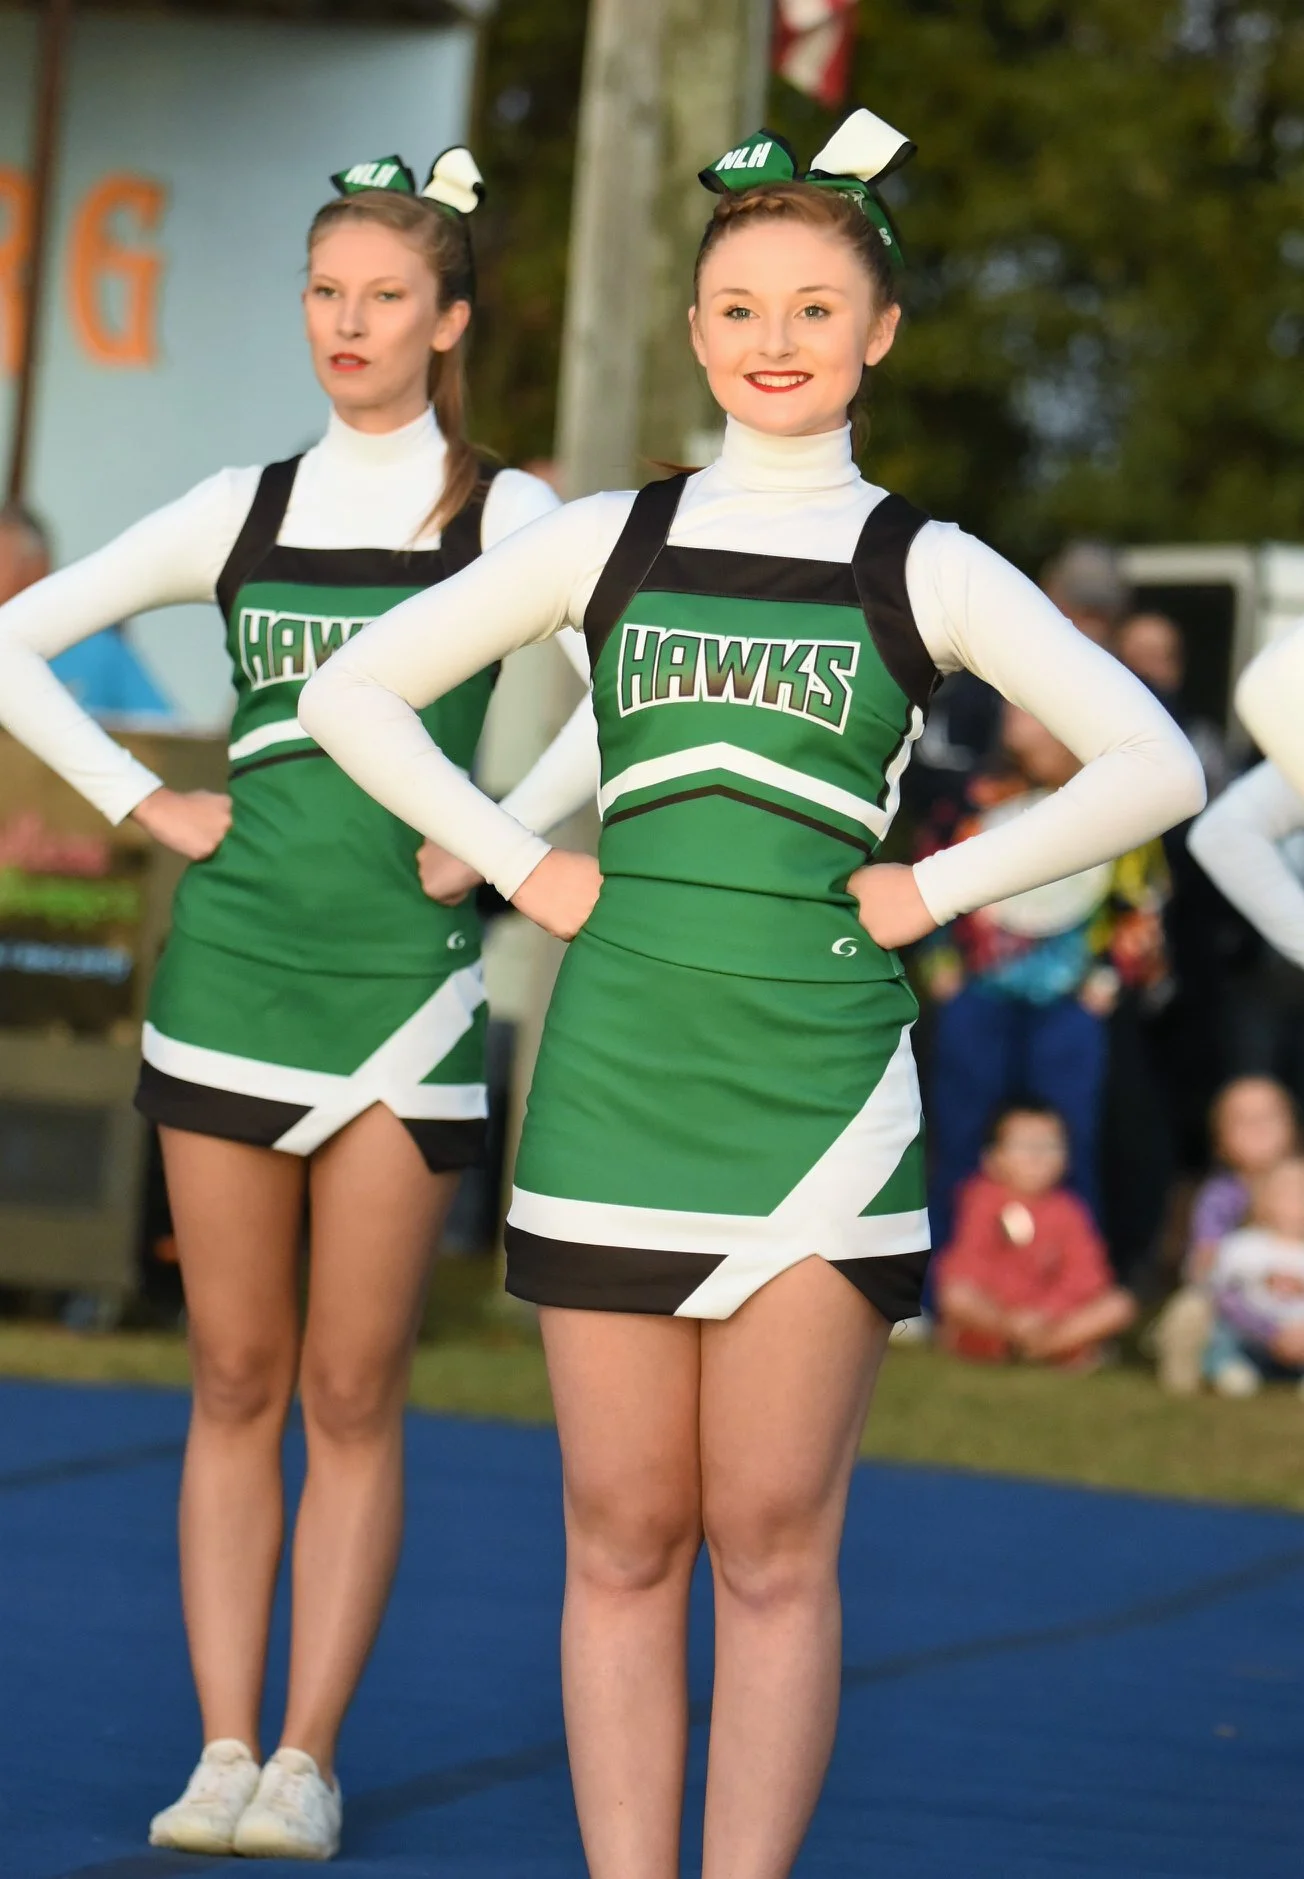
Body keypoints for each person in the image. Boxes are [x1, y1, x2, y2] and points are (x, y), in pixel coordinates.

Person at [300, 109, 1204, 1879]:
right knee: (621, 1532)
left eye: (813, 307)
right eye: (738, 307)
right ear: (698, 329)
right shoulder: (609, 539)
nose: (772, 339)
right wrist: (524, 862)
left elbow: (1152, 759)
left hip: (819, 1092)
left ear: (879, 332)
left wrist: (933, 885)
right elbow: (352, 692)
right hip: (614, 1081)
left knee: (773, 1541)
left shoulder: (923, 560)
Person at [0, 147, 596, 1862]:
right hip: (230, 977)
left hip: (405, 990)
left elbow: (620, 690)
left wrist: (499, 840)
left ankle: (308, 1755)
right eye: (326, 292)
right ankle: (219, 1745)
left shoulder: (508, 513)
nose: (349, 322)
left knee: (350, 1386)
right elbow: (14, 639)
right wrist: (144, 798)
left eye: (386, 295)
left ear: (449, 320)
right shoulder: (239, 507)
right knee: (232, 1373)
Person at [918, 702, 1171, 1249]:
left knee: (1068, 1143)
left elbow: (1142, 893)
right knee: (963, 1137)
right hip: (979, 993)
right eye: (1015, 709)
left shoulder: (1114, 796)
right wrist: (941, 966)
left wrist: (1109, 979)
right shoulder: (974, 794)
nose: (1022, 715)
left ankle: (1072, 1283)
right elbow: (928, 871)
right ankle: (947, 1279)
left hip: (1070, 1002)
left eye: (1034, 707)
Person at [932, 1102, 1136, 1366]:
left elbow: (1087, 1274)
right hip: (997, 1315)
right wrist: (1011, 1319)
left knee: (1119, 1305)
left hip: (1050, 1317)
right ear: (993, 1159)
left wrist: (1047, 1312)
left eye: (1049, 1146)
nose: (1037, 1156)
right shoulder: (981, 1198)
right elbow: (967, 1264)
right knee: (956, 1295)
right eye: (1025, 1146)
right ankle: (1042, 1347)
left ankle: (1038, 1347)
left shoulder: (1070, 1210)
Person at [1151, 1075, 1297, 1393]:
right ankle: (1207, 1365)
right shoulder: (1218, 1198)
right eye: (1243, 1120)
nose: (1258, 1127)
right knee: (1197, 1308)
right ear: (1221, 1140)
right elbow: (1208, 1271)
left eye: (1267, 1116)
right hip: (1238, 1307)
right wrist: (1264, 1327)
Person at [1205, 1156, 1304, 1397]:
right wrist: (1267, 1331)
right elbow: (1223, 1296)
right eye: (1285, 1193)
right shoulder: (1243, 1246)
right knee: (1223, 1333)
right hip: (1252, 1336)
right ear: (1263, 1198)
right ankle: (1228, 1368)